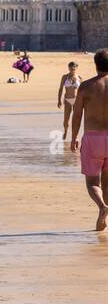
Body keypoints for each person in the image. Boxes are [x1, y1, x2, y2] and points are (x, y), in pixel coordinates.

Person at [69, 49, 108, 232]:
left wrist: (73, 137)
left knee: (93, 182)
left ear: (96, 64)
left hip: (93, 138)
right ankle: (104, 218)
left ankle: (101, 207)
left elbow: (76, 116)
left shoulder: (85, 87)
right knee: (107, 182)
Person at [58, 61, 81, 141]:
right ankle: (65, 131)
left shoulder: (79, 78)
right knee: (66, 120)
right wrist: (59, 100)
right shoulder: (64, 77)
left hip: (76, 100)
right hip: (67, 100)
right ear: (69, 68)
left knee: (76, 119)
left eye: (74, 67)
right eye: (71, 67)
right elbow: (60, 89)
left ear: (76, 68)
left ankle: (75, 136)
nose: (72, 68)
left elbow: (82, 91)